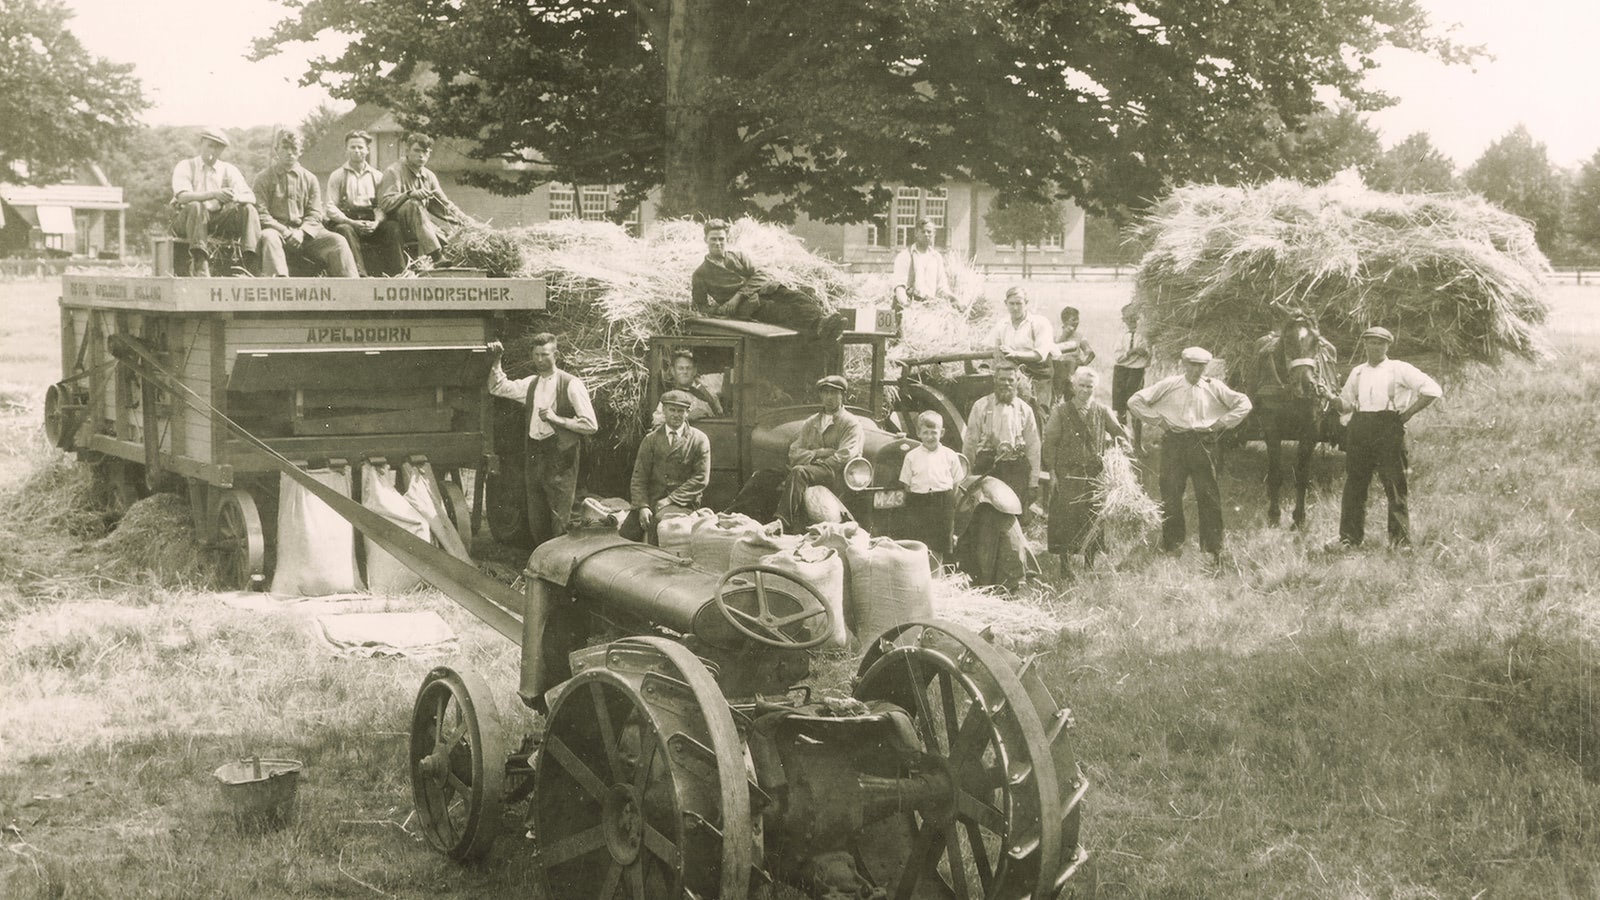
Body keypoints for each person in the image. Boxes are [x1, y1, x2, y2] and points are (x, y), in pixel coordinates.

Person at [1127, 346, 1252, 564]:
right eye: (1193, 365)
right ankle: (1173, 545)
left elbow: (1244, 403)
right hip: (1175, 442)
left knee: (1208, 493)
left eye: (1201, 366)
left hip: (1203, 443)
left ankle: (1213, 547)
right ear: (1184, 364)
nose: (1197, 371)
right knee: (1171, 493)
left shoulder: (1213, 386)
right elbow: (1134, 401)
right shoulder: (1170, 384)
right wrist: (1160, 422)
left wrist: (1222, 423)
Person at [1321, 326, 1442, 551]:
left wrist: (1407, 414)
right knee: (1354, 485)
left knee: (1394, 485)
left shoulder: (1400, 369)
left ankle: (1400, 542)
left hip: (1388, 429)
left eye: (1381, 343)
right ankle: (1348, 538)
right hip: (1359, 429)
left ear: (1388, 346)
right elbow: (1346, 405)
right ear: (1364, 344)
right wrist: (1329, 397)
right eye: (1371, 342)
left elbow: (1432, 390)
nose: (1376, 347)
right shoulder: (1357, 372)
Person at [487, 334, 599, 549]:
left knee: (560, 518)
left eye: (545, 355)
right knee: (537, 518)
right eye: (536, 355)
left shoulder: (571, 384)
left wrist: (558, 419)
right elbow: (497, 387)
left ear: (556, 355)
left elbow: (590, 425)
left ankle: (560, 563)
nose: (540, 360)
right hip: (535, 456)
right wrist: (497, 359)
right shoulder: (531, 384)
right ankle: (543, 561)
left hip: (560, 459)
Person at [690, 219, 849, 341]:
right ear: (705, 240)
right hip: (749, 306)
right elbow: (701, 306)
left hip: (764, 290)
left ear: (727, 239)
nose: (718, 243)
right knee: (780, 311)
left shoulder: (738, 257)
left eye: (721, 239)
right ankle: (821, 327)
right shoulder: (701, 274)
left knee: (799, 297)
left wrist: (738, 296)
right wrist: (721, 309)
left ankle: (823, 322)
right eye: (713, 239)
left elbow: (762, 275)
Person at [1043, 368, 1127, 579]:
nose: (1085, 390)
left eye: (1089, 386)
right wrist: (1052, 473)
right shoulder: (1060, 412)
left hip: (1094, 476)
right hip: (1067, 475)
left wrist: (1122, 448)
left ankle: (1089, 565)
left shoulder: (1102, 411)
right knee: (1065, 518)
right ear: (1073, 386)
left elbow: (1119, 433)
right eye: (1081, 385)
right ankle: (1065, 567)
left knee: (1093, 518)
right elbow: (1050, 443)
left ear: (1094, 388)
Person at [253, 131, 358, 277]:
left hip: (307, 234)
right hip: (277, 232)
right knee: (269, 237)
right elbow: (262, 214)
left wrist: (302, 232)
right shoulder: (263, 178)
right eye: (285, 148)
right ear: (276, 149)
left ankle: (351, 286)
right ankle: (279, 284)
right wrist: (285, 232)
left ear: (300, 151)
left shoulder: (310, 179)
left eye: (294, 148)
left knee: (338, 242)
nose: (290, 153)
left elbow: (315, 213)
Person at [775, 375, 865, 533]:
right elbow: (794, 452)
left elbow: (845, 454)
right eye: (825, 392)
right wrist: (818, 453)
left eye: (834, 393)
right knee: (765, 476)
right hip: (814, 469)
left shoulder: (850, 423)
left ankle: (782, 522)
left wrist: (818, 462)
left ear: (842, 395)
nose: (829, 397)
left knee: (799, 472)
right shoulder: (812, 422)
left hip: (835, 472)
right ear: (821, 395)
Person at [169, 127, 262, 277]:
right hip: (187, 221)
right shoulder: (186, 166)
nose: (213, 151)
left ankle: (251, 264)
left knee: (248, 209)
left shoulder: (228, 169)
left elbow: (251, 197)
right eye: (210, 145)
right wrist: (213, 194)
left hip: (216, 221)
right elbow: (182, 197)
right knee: (196, 206)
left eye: (218, 148)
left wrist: (235, 197)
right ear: (201, 143)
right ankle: (200, 264)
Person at [623, 390, 711, 544]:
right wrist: (642, 506)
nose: (676, 415)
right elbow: (639, 477)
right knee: (627, 533)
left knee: (659, 523)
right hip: (653, 500)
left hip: (683, 502)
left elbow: (700, 479)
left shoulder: (699, 440)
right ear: (663, 410)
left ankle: (655, 559)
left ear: (687, 412)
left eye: (681, 411)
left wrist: (670, 499)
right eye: (672, 410)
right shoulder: (650, 440)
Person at [963, 362, 1042, 524]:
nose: (1006, 383)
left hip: (1015, 469)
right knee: (986, 515)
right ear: (995, 380)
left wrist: (1033, 482)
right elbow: (970, 443)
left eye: (1010, 380)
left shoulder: (1025, 410)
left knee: (1015, 517)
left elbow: (1033, 448)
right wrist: (967, 476)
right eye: (1002, 379)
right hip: (988, 468)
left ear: (1017, 381)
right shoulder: (980, 406)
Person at [378, 132, 467, 265]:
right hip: (396, 224)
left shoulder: (429, 176)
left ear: (429, 154)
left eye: (425, 152)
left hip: (421, 224)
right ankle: (436, 257)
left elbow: (444, 205)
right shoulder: (393, 171)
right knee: (413, 204)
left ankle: (444, 257)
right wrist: (408, 194)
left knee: (446, 237)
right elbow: (384, 204)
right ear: (407, 151)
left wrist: (466, 221)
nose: (421, 155)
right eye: (417, 150)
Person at [325, 130, 406, 276]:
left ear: (367, 150)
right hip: (348, 220)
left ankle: (399, 273)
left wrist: (376, 223)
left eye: (360, 147)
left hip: (371, 221)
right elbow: (330, 207)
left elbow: (382, 205)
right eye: (353, 147)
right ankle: (360, 275)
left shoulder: (377, 176)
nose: (357, 151)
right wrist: (351, 222)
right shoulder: (337, 176)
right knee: (344, 230)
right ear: (346, 150)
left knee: (392, 228)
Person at [897, 410, 964, 563]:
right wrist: (917, 498)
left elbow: (956, 482)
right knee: (920, 541)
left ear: (942, 433)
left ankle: (937, 573)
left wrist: (946, 499)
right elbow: (906, 484)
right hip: (919, 502)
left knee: (940, 543)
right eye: (925, 433)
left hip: (943, 502)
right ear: (918, 433)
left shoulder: (950, 455)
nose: (929, 437)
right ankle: (921, 572)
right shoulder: (911, 456)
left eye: (934, 432)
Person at [987, 286, 1057, 413]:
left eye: (1019, 303)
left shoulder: (1039, 323)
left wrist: (1015, 354)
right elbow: (989, 345)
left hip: (1038, 374)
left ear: (1026, 303)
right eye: (1011, 303)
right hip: (1011, 374)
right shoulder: (1002, 324)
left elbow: (1040, 355)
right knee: (1005, 407)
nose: (1015, 308)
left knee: (1039, 412)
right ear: (1006, 303)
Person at [1111, 301, 1151, 455]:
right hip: (1121, 372)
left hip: (1136, 372)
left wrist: (1142, 353)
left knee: (1135, 406)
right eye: (1128, 318)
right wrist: (1132, 352)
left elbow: (1147, 356)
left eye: (1134, 318)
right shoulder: (1121, 336)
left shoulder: (1144, 336)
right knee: (1120, 408)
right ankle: (1123, 444)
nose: (1132, 321)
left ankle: (1138, 445)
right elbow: (1118, 357)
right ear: (1124, 320)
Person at [650, 349, 723, 426]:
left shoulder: (707, 382)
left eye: (688, 368)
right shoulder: (670, 398)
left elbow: (730, 376)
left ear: (694, 370)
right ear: (673, 371)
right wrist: (686, 418)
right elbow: (657, 424)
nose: (685, 372)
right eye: (680, 368)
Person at [892, 218, 950, 307]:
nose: (926, 234)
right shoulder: (905, 256)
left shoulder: (936, 257)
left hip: (930, 308)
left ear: (934, 234)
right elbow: (899, 286)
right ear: (916, 233)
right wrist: (906, 304)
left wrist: (955, 300)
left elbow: (942, 288)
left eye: (929, 232)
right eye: (923, 231)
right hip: (909, 307)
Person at [1051, 305, 1096, 400]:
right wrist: (1064, 336)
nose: (1077, 322)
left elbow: (1090, 353)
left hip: (1074, 370)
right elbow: (1051, 351)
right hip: (1058, 369)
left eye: (1078, 319)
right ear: (1065, 321)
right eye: (1073, 319)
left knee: (1073, 397)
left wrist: (1083, 364)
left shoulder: (1079, 336)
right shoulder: (1055, 335)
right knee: (1056, 397)